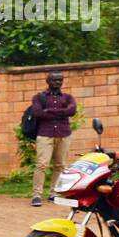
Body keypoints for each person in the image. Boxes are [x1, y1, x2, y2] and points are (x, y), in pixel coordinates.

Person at [30, 70, 77, 207]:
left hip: (64, 134)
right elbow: (38, 113)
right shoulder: (39, 97)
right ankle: (36, 195)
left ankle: (54, 193)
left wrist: (49, 111)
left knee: (60, 165)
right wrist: (62, 113)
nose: (57, 82)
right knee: (41, 164)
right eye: (54, 80)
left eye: (60, 80)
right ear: (48, 81)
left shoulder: (68, 97)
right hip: (45, 134)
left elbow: (72, 111)